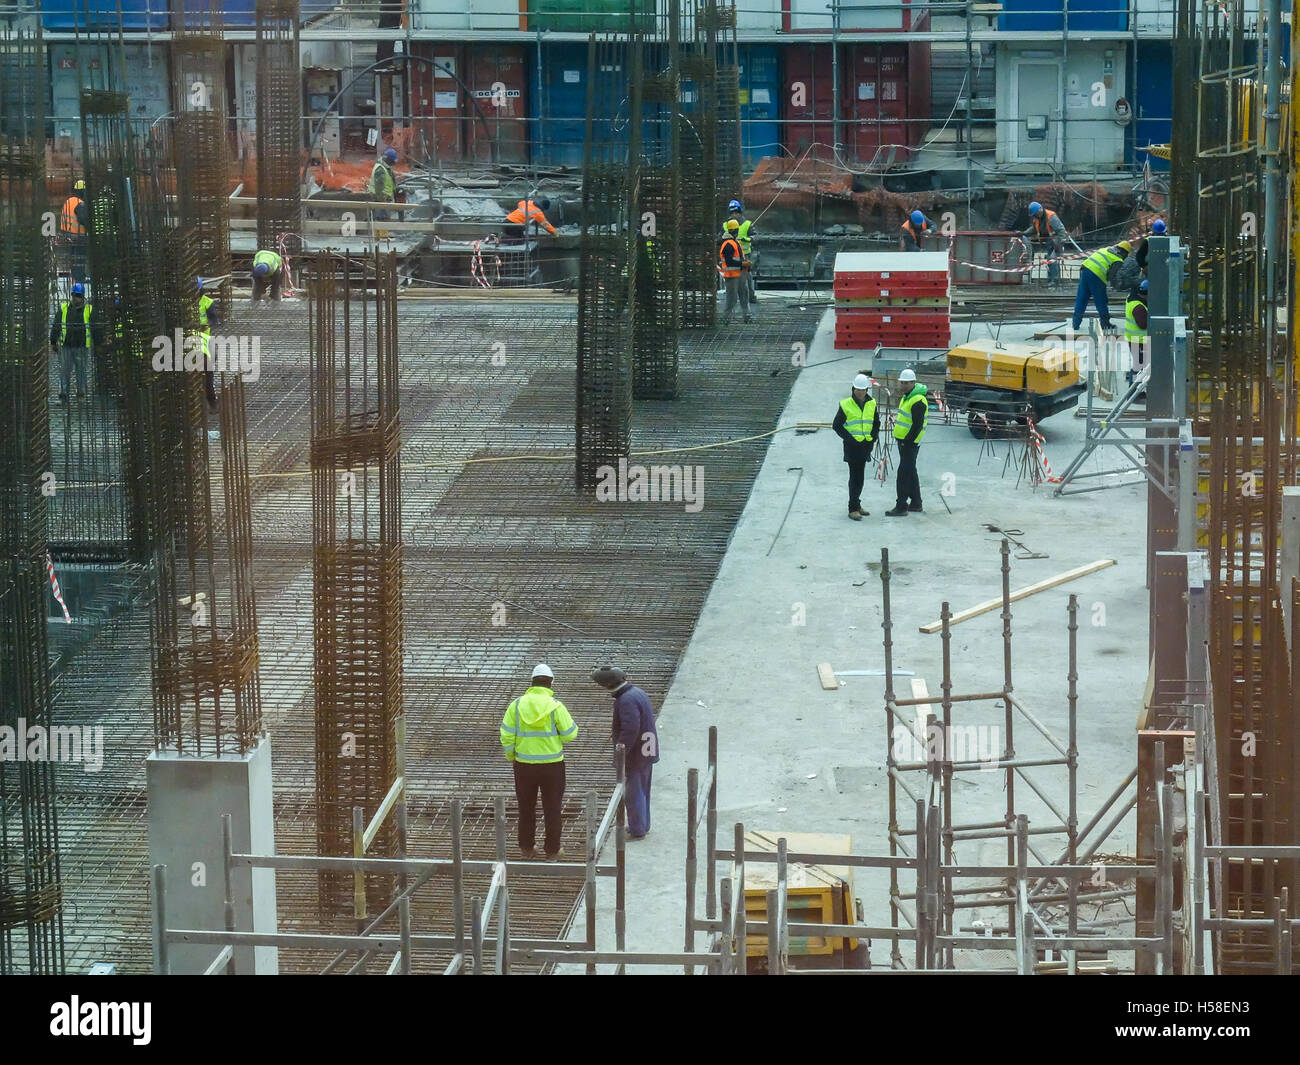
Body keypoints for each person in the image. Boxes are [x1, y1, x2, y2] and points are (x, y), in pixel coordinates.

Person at [500, 663, 579, 859]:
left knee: (526, 807)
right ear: (550, 683)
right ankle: (552, 850)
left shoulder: (517, 705)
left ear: (532, 683)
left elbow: (507, 735)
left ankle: (527, 848)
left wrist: (512, 756)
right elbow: (570, 734)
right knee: (552, 807)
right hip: (552, 766)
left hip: (524, 766)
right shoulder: (556, 706)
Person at [592, 666, 659, 840]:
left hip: (635, 754)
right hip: (647, 750)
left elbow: (630, 728)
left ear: (607, 684)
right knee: (643, 789)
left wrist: (620, 754)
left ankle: (637, 828)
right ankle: (643, 824)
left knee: (633, 792)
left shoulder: (625, 700)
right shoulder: (637, 692)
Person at [832, 373, 879, 521]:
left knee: (860, 477)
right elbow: (837, 426)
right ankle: (852, 508)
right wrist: (851, 440)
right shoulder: (846, 404)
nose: (860, 392)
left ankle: (857, 504)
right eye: (858, 389)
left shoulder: (872, 403)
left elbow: (876, 423)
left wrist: (873, 439)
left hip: (865, 445)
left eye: (863, 389)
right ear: (853, 389)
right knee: (855, 477)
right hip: (853, 447)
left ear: (867, 390)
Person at [49, 282, 104, 404]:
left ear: (83, 296)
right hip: (66, 346)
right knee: (64, 371)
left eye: (78, 295)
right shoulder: (63, 308)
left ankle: (81, 395)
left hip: (82, 346)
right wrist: (53, 341)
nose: (75, 297)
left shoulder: (89, 310)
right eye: (74, 295)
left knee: (81, 372)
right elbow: (56, 326)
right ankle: (63, 395)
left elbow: (96, 328)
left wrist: (99, 343)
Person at [885, 368, 928, 517]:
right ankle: (916, 503)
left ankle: (901, 506)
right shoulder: (908, 397)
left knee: (903, 474)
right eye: (902, 382)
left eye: (906, 383)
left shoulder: (918, 401)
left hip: (909, 443)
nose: (903, 385)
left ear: (913, 382)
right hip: (904, 441)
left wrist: (907, 442)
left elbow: (917, 425)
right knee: (910, 472)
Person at [1071, 240, 1131, 332]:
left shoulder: (1105, 249)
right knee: (1101, 300)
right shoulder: (1117, 259)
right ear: (1125, 253)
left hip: (1085, 269)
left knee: (1082, 298)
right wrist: (1117, 287)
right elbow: (1112, 276)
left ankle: (1075, 324)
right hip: (1096, 275)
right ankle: (1105, 324)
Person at [1021, 201, 1067, 286]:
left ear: (1039, 211)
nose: (1034, 216)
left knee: (1052, 259)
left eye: (1035, 214)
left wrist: (1057, 243)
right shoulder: (1038, 219)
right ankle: (1051, 280)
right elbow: (1034, 229)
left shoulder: (1051, 217)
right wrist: (1023, 233)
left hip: (1057, 242)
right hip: (1049, 243)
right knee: (1049, 260)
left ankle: (1055, 281)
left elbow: (1062, 231)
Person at [719, 219, 751, 324]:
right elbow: (729, 262)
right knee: (732, 299)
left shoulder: (734, 242)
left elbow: (738, 258)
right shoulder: (729, 244)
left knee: (744, 295)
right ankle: (726, 318)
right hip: (732, 276)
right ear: (736, 230)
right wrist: (742, 264)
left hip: (740, 274)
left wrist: (745, 264)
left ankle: (747, 316)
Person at [60, 178, 90, 285]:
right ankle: (79, 278)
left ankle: (75, 276)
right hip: (78, 235)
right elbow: (83, 219)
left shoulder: (68, 201)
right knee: (79, 258)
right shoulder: (80, 203)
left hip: (67, 234)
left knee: (73, 257)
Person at [197, 277, 220, 410]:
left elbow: (213, 319)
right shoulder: (183, 303)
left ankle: (212, 402)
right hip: (189, 340)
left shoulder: (207, 302)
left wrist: (207, 325)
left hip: (204, 340)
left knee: (208, 374)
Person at [730, 199, 758, 313]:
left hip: (745, 255)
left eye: (736, 213)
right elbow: (720, 236)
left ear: (740, 212)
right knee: (732, 277)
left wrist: (747, 239)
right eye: (732, 213)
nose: (734, 215)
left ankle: (751, 297)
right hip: (732, 255)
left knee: (747, 276)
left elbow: (755, 236)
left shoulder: (747, 224)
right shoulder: (727, 224)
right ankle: (733, 299)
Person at [1124, 278, 1150, 382]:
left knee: (1138, 365)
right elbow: (1143, 325)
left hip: (1134, 339)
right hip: (1140, 341)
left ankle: (1134, 391)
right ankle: (1133, 392)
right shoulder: (1139, 307)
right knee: (1139, 367)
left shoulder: (1131, 297)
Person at [369, 147, 398, 221]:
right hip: (381, 200)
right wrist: (383, 203)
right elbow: (379, 189)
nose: (393, 164)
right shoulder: (380, 170)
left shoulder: (385, 167)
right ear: (388, 159)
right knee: (382, 221)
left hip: (384, 200)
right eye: (392, 161)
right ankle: (381, 232)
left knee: (383, 222)